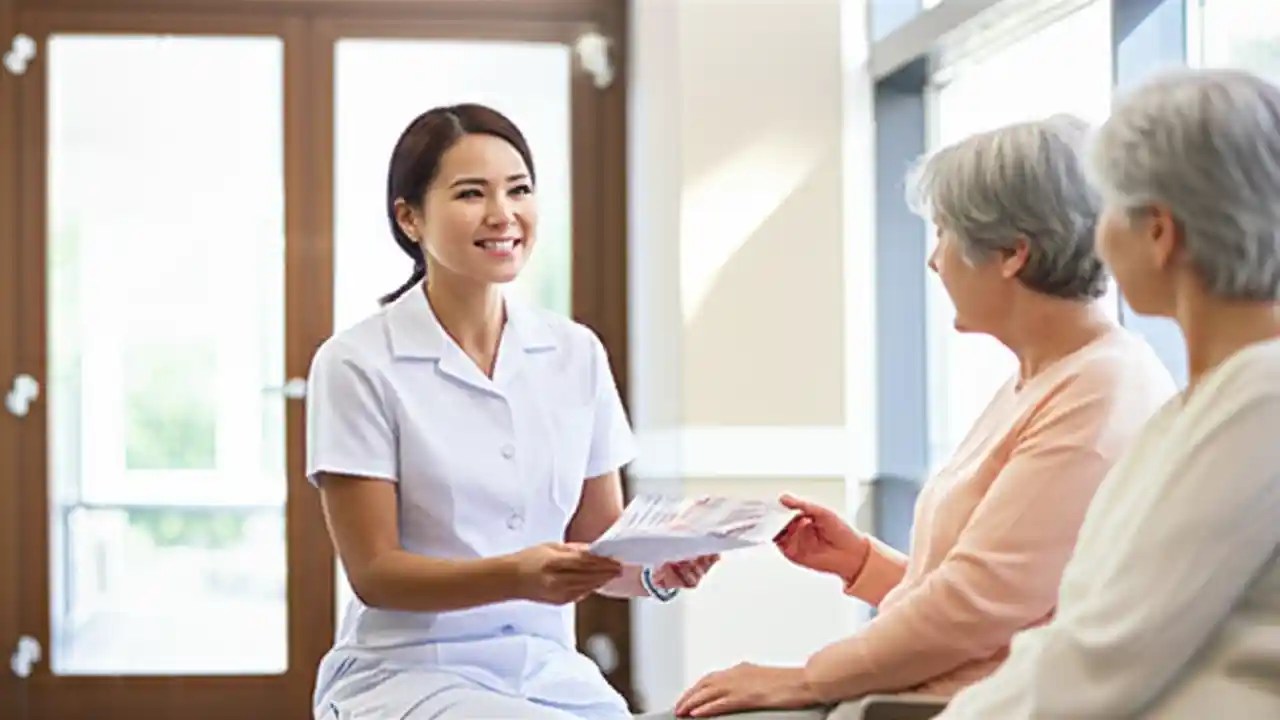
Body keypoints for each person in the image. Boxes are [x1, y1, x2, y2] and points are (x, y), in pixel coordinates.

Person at [660, 115, 1175, 720]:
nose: (935, 261)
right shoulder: (1044, 378)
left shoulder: (1101, 389)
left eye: (944, 235)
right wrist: (861, 564)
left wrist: (807, 678)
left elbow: (977, 608)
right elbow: (1000, 596)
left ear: (1011, 253)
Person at [306, 103, 718, 720]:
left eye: (518, 190)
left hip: (549, 672)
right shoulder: (357, 363)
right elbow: (376, 574)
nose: (503, 215)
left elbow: (595, 548)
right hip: (408, 674)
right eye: (471, 194)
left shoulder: (575, 352)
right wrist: (516, 576)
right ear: (409, 217)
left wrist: (658, 569)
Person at [939, 68, 1280, 720]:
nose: (1093, 240)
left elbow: (1100, 657)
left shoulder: (1259, 398)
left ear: (1158, 231)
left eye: (1107, 212)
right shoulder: (1210, 403)